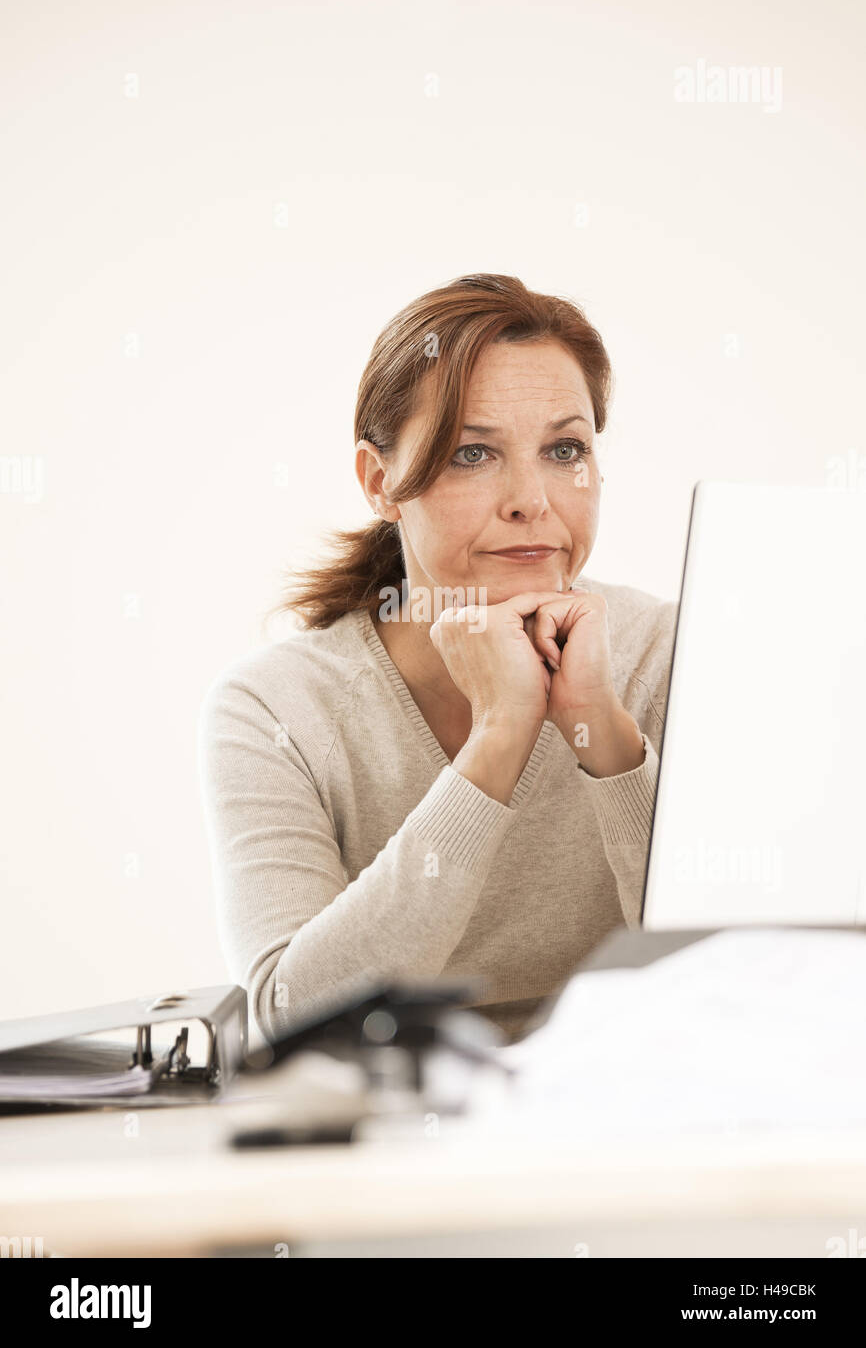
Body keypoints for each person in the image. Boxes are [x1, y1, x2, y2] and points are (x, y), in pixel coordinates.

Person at [198, 273, 678, 1046]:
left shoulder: (666, 653)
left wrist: (601, 732)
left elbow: (747, 972)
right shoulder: (276, 709)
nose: (531, 499)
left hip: (631, 1126)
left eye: (564, 449)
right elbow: (297, 1018)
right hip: (392, 1138)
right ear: (379, 481)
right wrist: (497, 742)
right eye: (472, 453)